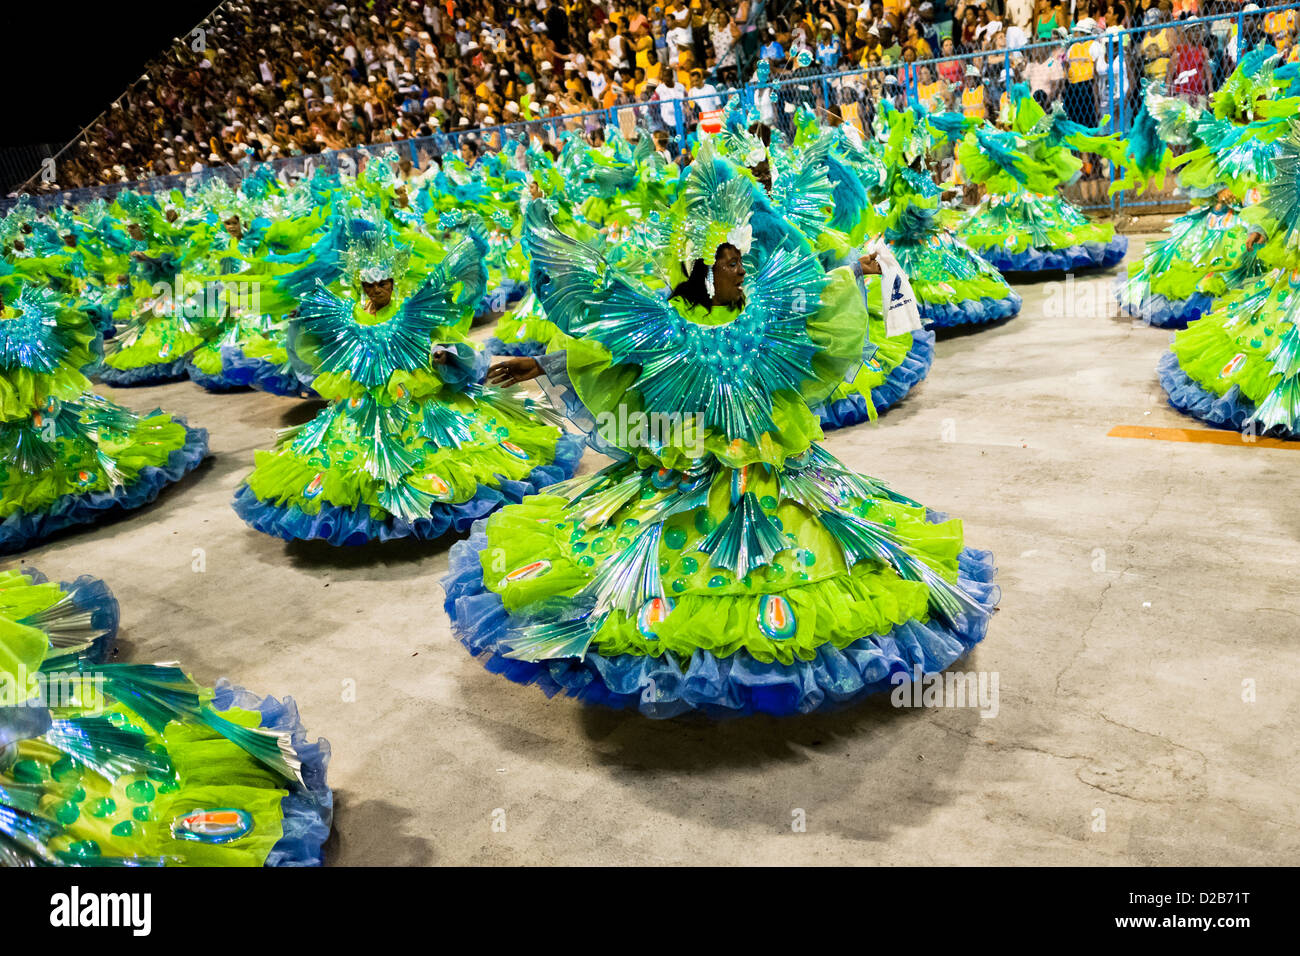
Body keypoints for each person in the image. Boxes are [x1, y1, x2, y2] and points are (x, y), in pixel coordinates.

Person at [451, 155, 998, 718]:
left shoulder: (768, 314)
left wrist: (856, 272)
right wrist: (540, 365)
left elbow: (818, 303)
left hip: (773, 477)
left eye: (743, 260)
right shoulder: (666, 327)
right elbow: (612, 358)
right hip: (685, 478)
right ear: (702, 268)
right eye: (733, 261)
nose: (743, 270)